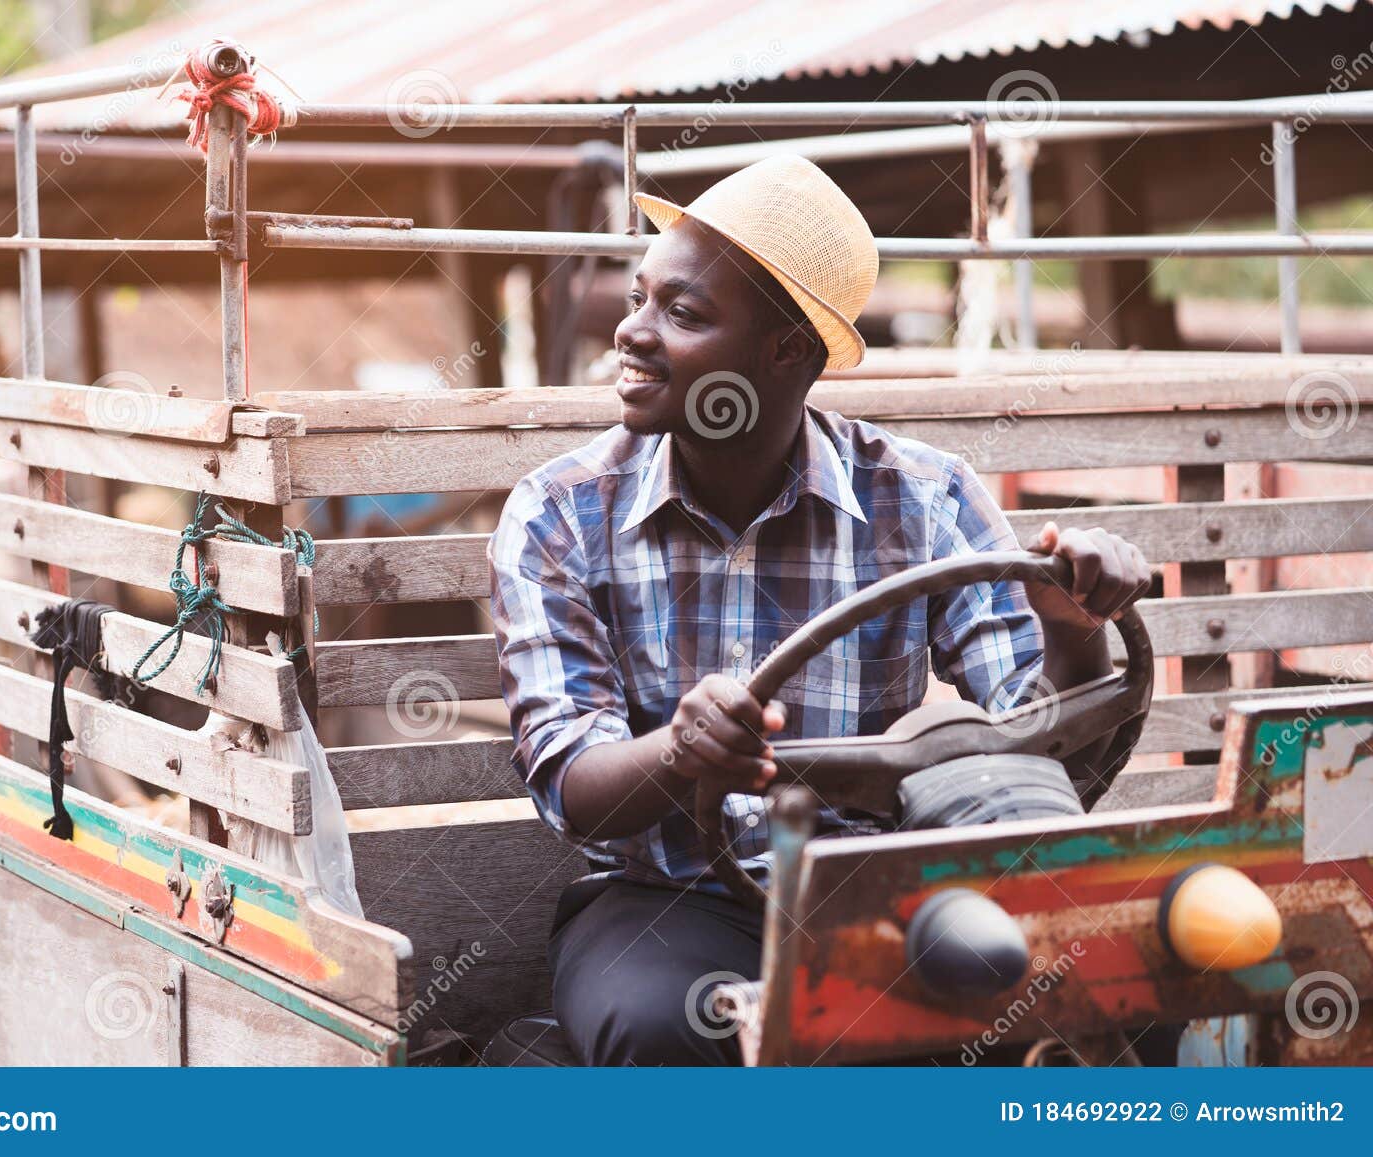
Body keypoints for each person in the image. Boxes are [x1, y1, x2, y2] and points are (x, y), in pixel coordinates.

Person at [486, 155, 1152, 1066]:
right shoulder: (559, 511)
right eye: (639, 298)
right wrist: (681, 751)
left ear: (788, 352)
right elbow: (572, 784)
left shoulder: (921, 496)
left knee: (1102, 990)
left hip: (881, 890)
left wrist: (1074, 624)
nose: (631, 332)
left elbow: (1037, 757)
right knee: (665, 1025)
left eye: (680, 314)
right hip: (672, 902)